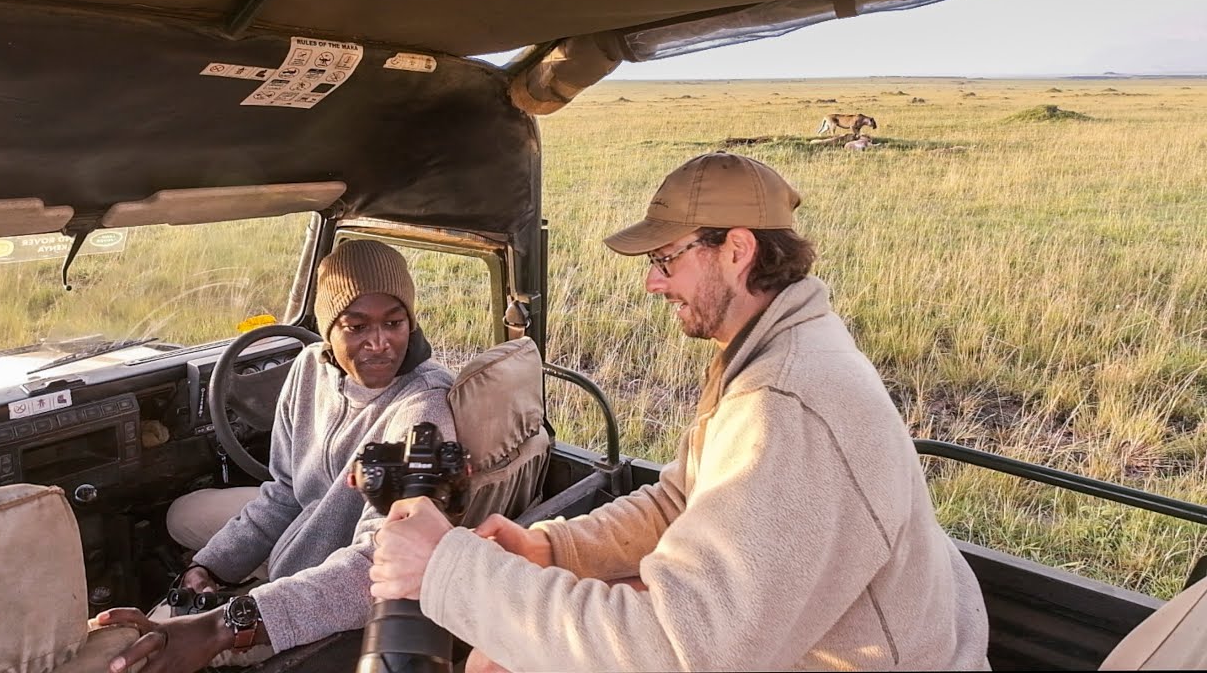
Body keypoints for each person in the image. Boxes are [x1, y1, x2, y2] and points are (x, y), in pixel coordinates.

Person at [368, 152, 991, 671]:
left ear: (737, 250)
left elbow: (681, 650)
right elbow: (680, 501)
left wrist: (446, 567)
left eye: (666, 260)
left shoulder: (785, 402)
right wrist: (551, 550)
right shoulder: (767, 349)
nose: (653, 284)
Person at [97, 239, 457, 673]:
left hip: (328, 599)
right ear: (327, 330)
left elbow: (381, 566)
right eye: (356, 326)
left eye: (394, 322)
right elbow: (285, 491)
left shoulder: (423, 410)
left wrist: (226, 623)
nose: (379, 343)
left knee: (143, 651)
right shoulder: (308, 369)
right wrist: (213, 567)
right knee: (181, 517)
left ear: (411, 323)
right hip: (297, 541)